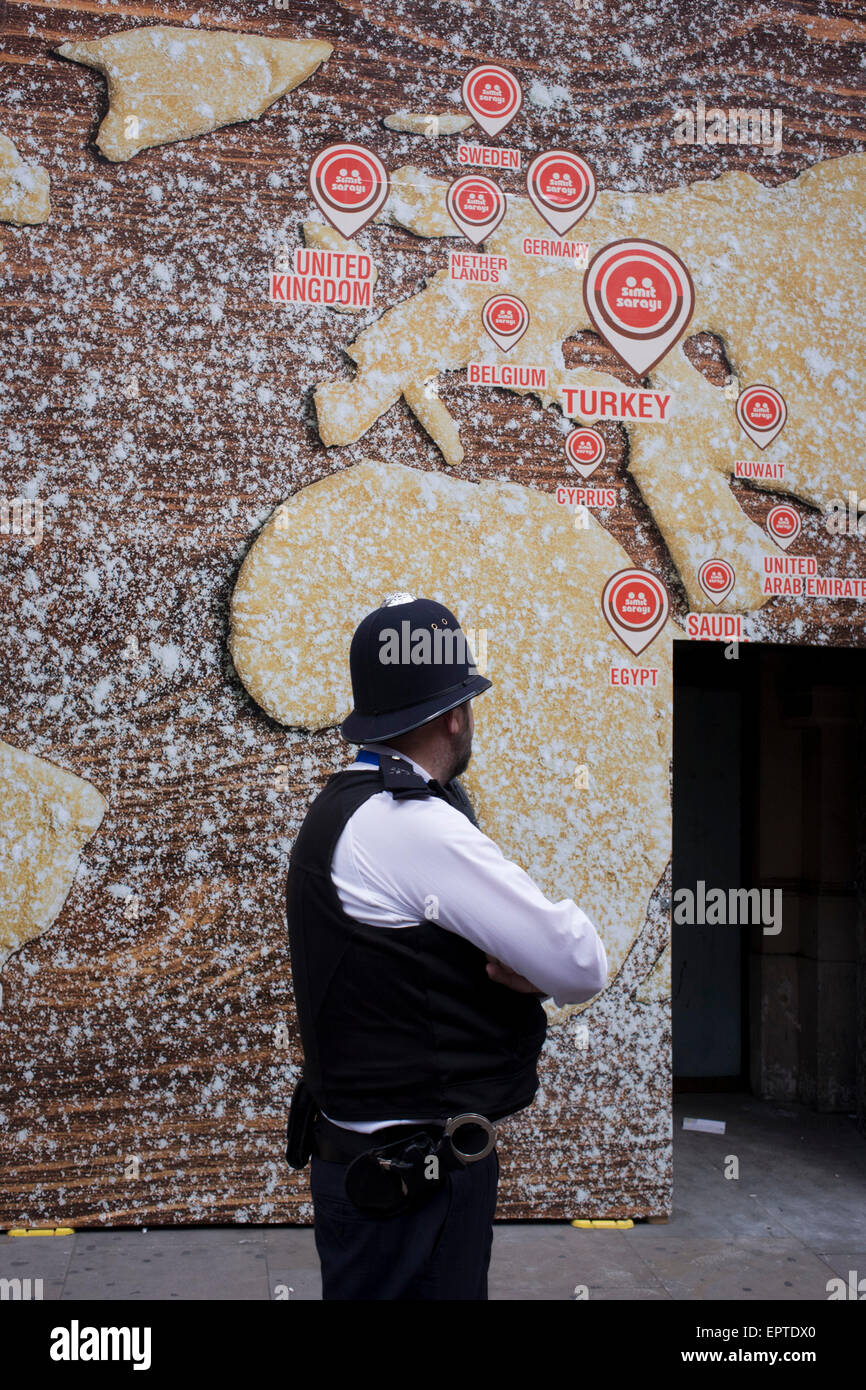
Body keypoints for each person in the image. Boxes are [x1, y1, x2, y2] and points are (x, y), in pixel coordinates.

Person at [285, 593, 607, 1300]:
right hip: (415, 1190)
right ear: (454, 714)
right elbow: (581, 963)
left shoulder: (341, 804)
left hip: (365, 1174)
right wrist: (534, 971)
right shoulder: (412, 825)